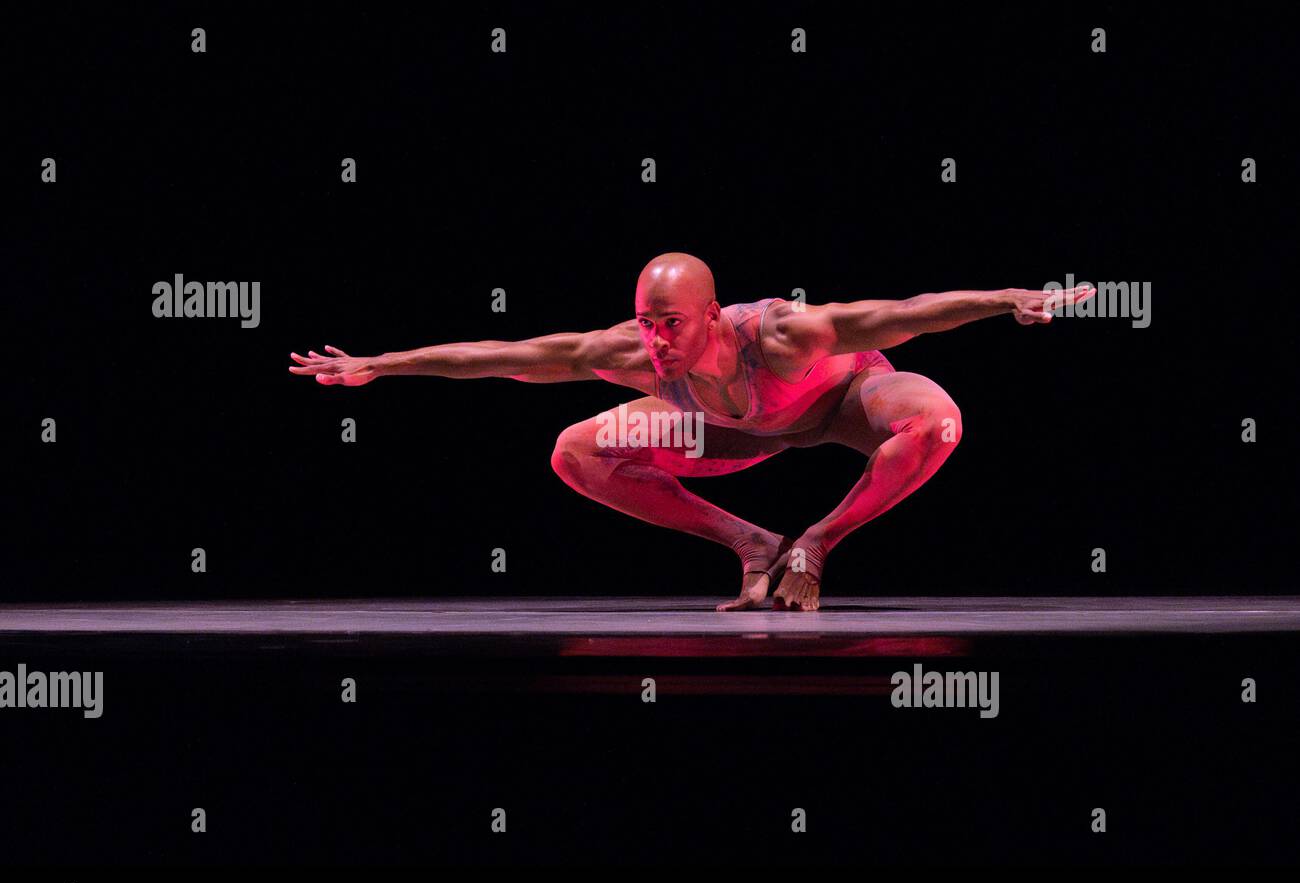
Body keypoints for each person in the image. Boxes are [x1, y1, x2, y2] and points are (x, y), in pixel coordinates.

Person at [290, 252, 1094, 610]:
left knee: (938, 421)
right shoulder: (635, 352)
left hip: (845, 404)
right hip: (734, 435)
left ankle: (815, 542)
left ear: (713, 313)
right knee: (576, 450)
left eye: (670, 323)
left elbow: (911, 313)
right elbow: (509, 356)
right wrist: (382, 365)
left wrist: (1007, 299)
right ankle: (752, 545)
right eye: (647, 324)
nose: (656, 341)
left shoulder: (785, 334)